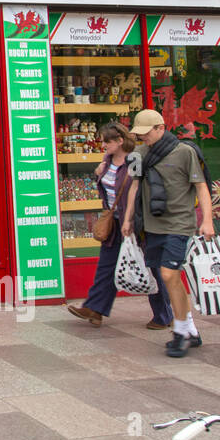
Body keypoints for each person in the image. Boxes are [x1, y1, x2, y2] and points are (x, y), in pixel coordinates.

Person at [120, 109, 215, 358]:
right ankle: (190, 330)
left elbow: (201, 186)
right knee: (169, 279)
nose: (143, 138)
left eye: (146, 133)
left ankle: (181, 332)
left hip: (179, 224)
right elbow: (135, 186)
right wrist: (128, 217)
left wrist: (207, 220)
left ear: (161, 128)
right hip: (151, 225)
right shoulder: (140, 154)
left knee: (169, 273)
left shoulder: (185, 152)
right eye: (139, 134)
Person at [66, 122, 173, 330]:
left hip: (134, 221)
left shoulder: (135, 159)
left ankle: (163, 314)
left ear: (120, 141)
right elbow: (108, 186)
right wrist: (100, 173)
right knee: (106, 265)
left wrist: (130, 220)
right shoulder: (107, 160)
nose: (103, 145)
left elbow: (137, 188)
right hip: (113, 220)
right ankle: (95, 309)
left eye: (107, 141)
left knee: (149, 267)